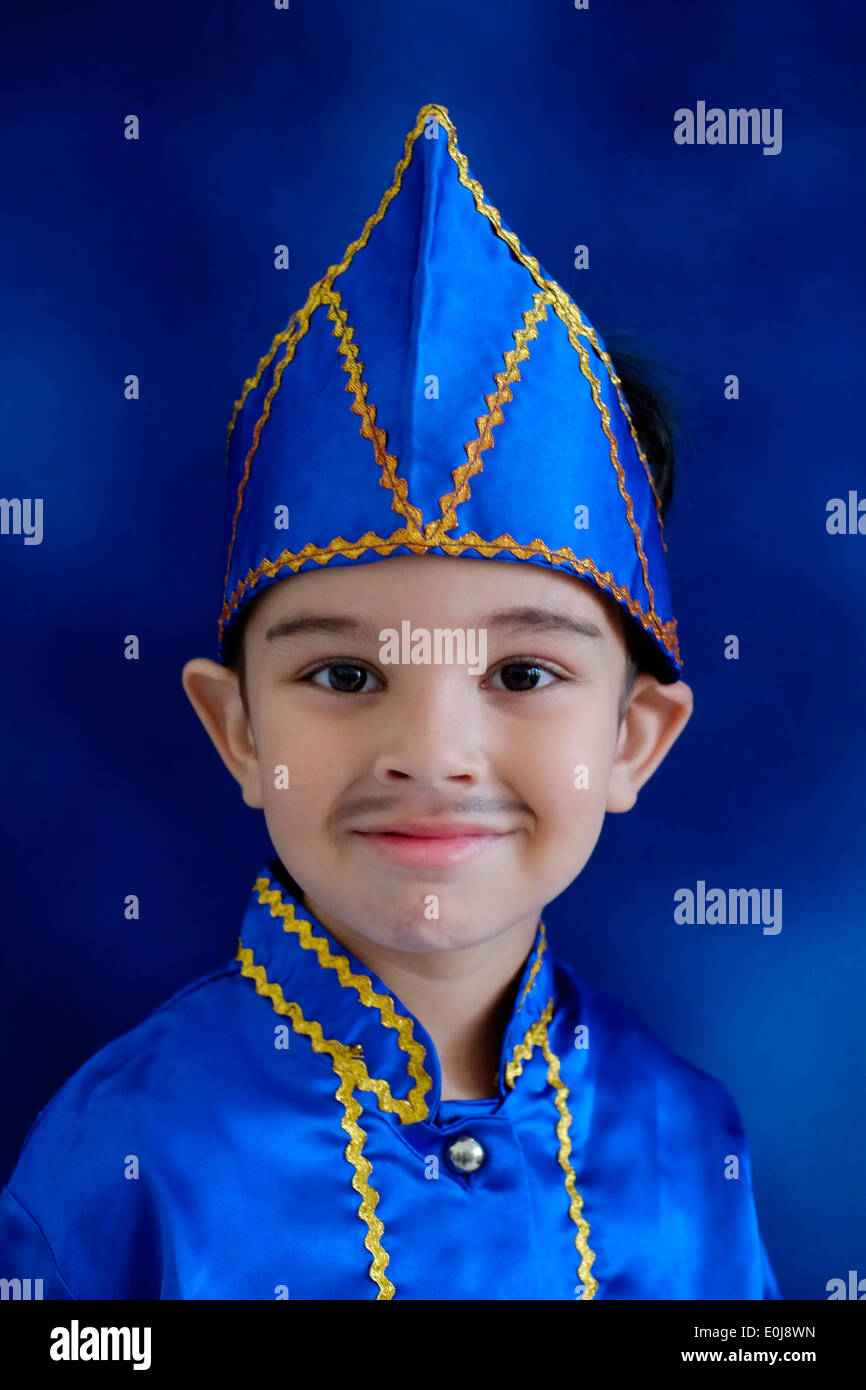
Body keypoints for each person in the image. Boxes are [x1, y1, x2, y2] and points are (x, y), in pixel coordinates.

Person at [0, 103, 780, 1300]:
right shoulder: (114, 1159)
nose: (429, 751)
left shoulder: (685, 1141)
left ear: (632, 738)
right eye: (345, 676)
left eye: (520, 676)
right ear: (237, 728)